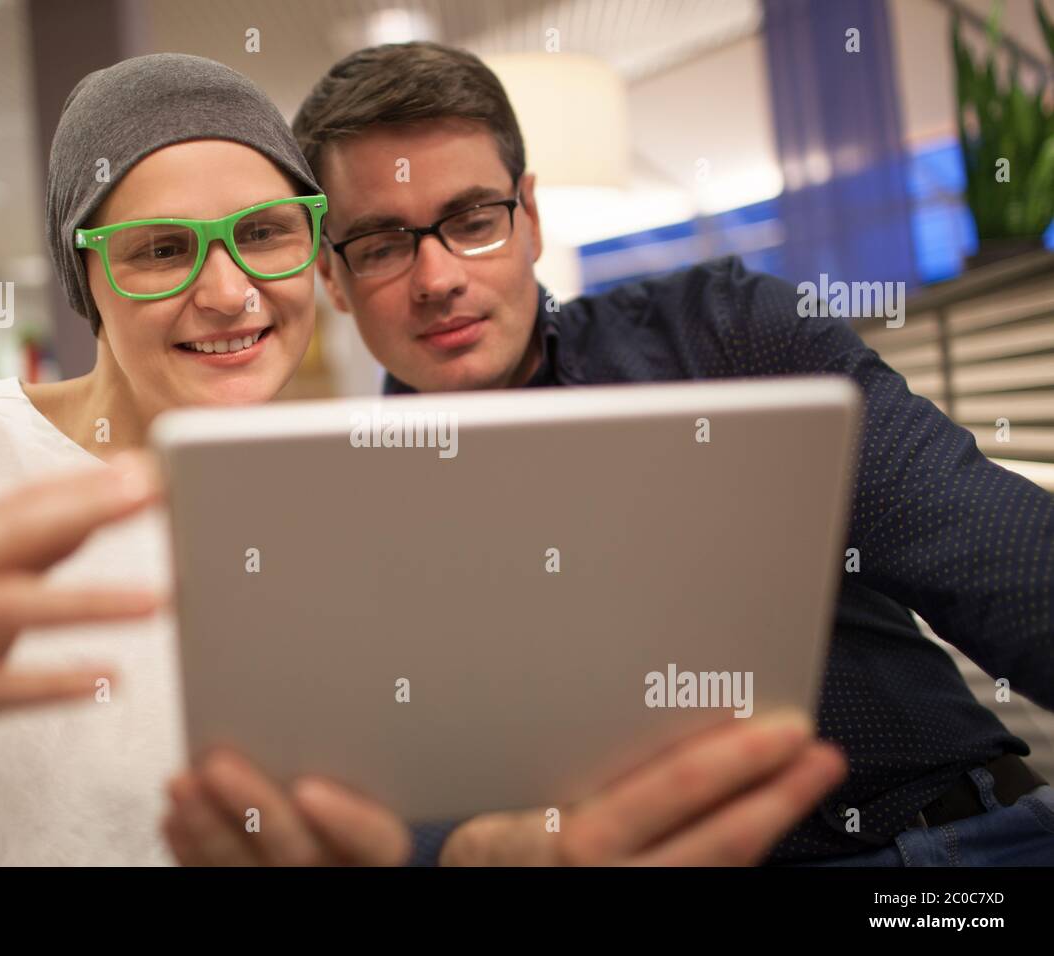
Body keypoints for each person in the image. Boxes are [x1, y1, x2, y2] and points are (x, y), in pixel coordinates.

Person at [0, 52, 840, 868]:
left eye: (266, 233)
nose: (227, 293)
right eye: (162, 250)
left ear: (312, 258)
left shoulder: (361, 530)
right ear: (88, 282)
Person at [284, 40, 1054, 866]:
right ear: (334, 278)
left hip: (958, 842)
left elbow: (999, 561)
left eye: (473, 221)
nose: (436, 277)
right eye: (382, 245)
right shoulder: (346, 513)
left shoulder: (726, 333)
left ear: (530, 219)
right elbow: (378, 791)